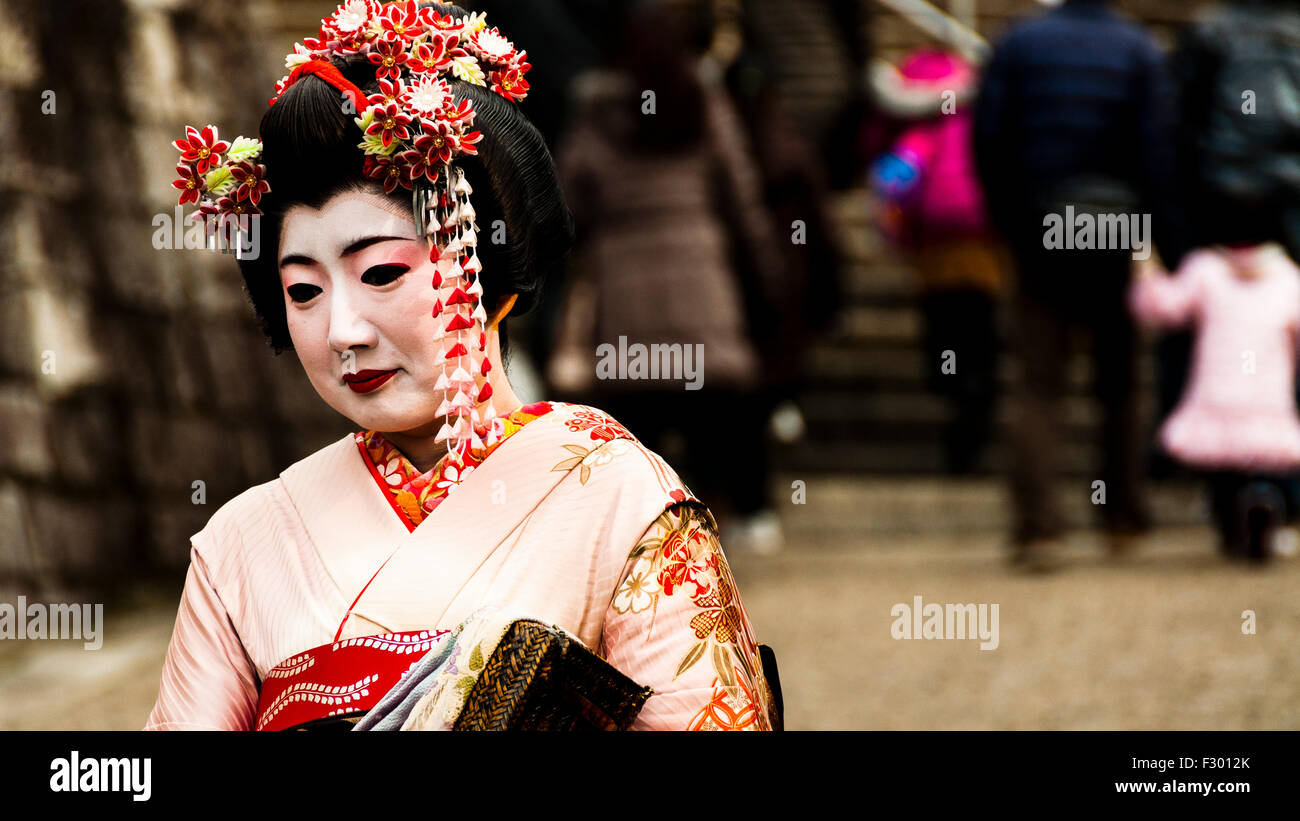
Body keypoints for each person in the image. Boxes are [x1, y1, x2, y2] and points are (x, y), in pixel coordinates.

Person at [146, 1, 777, 731]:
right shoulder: (241, 543)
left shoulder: (619, 500)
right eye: (303, 291)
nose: (343, 330)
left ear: (491, 272)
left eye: (381, 273)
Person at [973, 0, 1181, 569]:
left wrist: (1011, 221)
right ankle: (1122, 518)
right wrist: (1158, 234)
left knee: (1038, 383)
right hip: (1116, 229)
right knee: (1122, 384)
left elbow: (989, 138)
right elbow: (1158, 151)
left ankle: (1040, 530)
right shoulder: (1138, 48)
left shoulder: (1018, 43)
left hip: (1041, 224)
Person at [870, 49, 1003, 474]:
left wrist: (893, 232)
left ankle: (958, 398)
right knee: (979, 340)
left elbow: (894, 177)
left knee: (946, 344)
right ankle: (974, 411)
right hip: (985, 254)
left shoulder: (925, 129)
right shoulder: (983, 121)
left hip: (937, 259)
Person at [1130, 245, 1300, 562]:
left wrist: (1146, 268)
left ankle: (1232, 529)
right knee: (1264, 463)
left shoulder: (1205, 268)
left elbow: (1164, 308)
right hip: (1267, 399)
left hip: (1218, 397)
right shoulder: (1288, 277)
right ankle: (1264, 501)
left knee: (1222, 470)